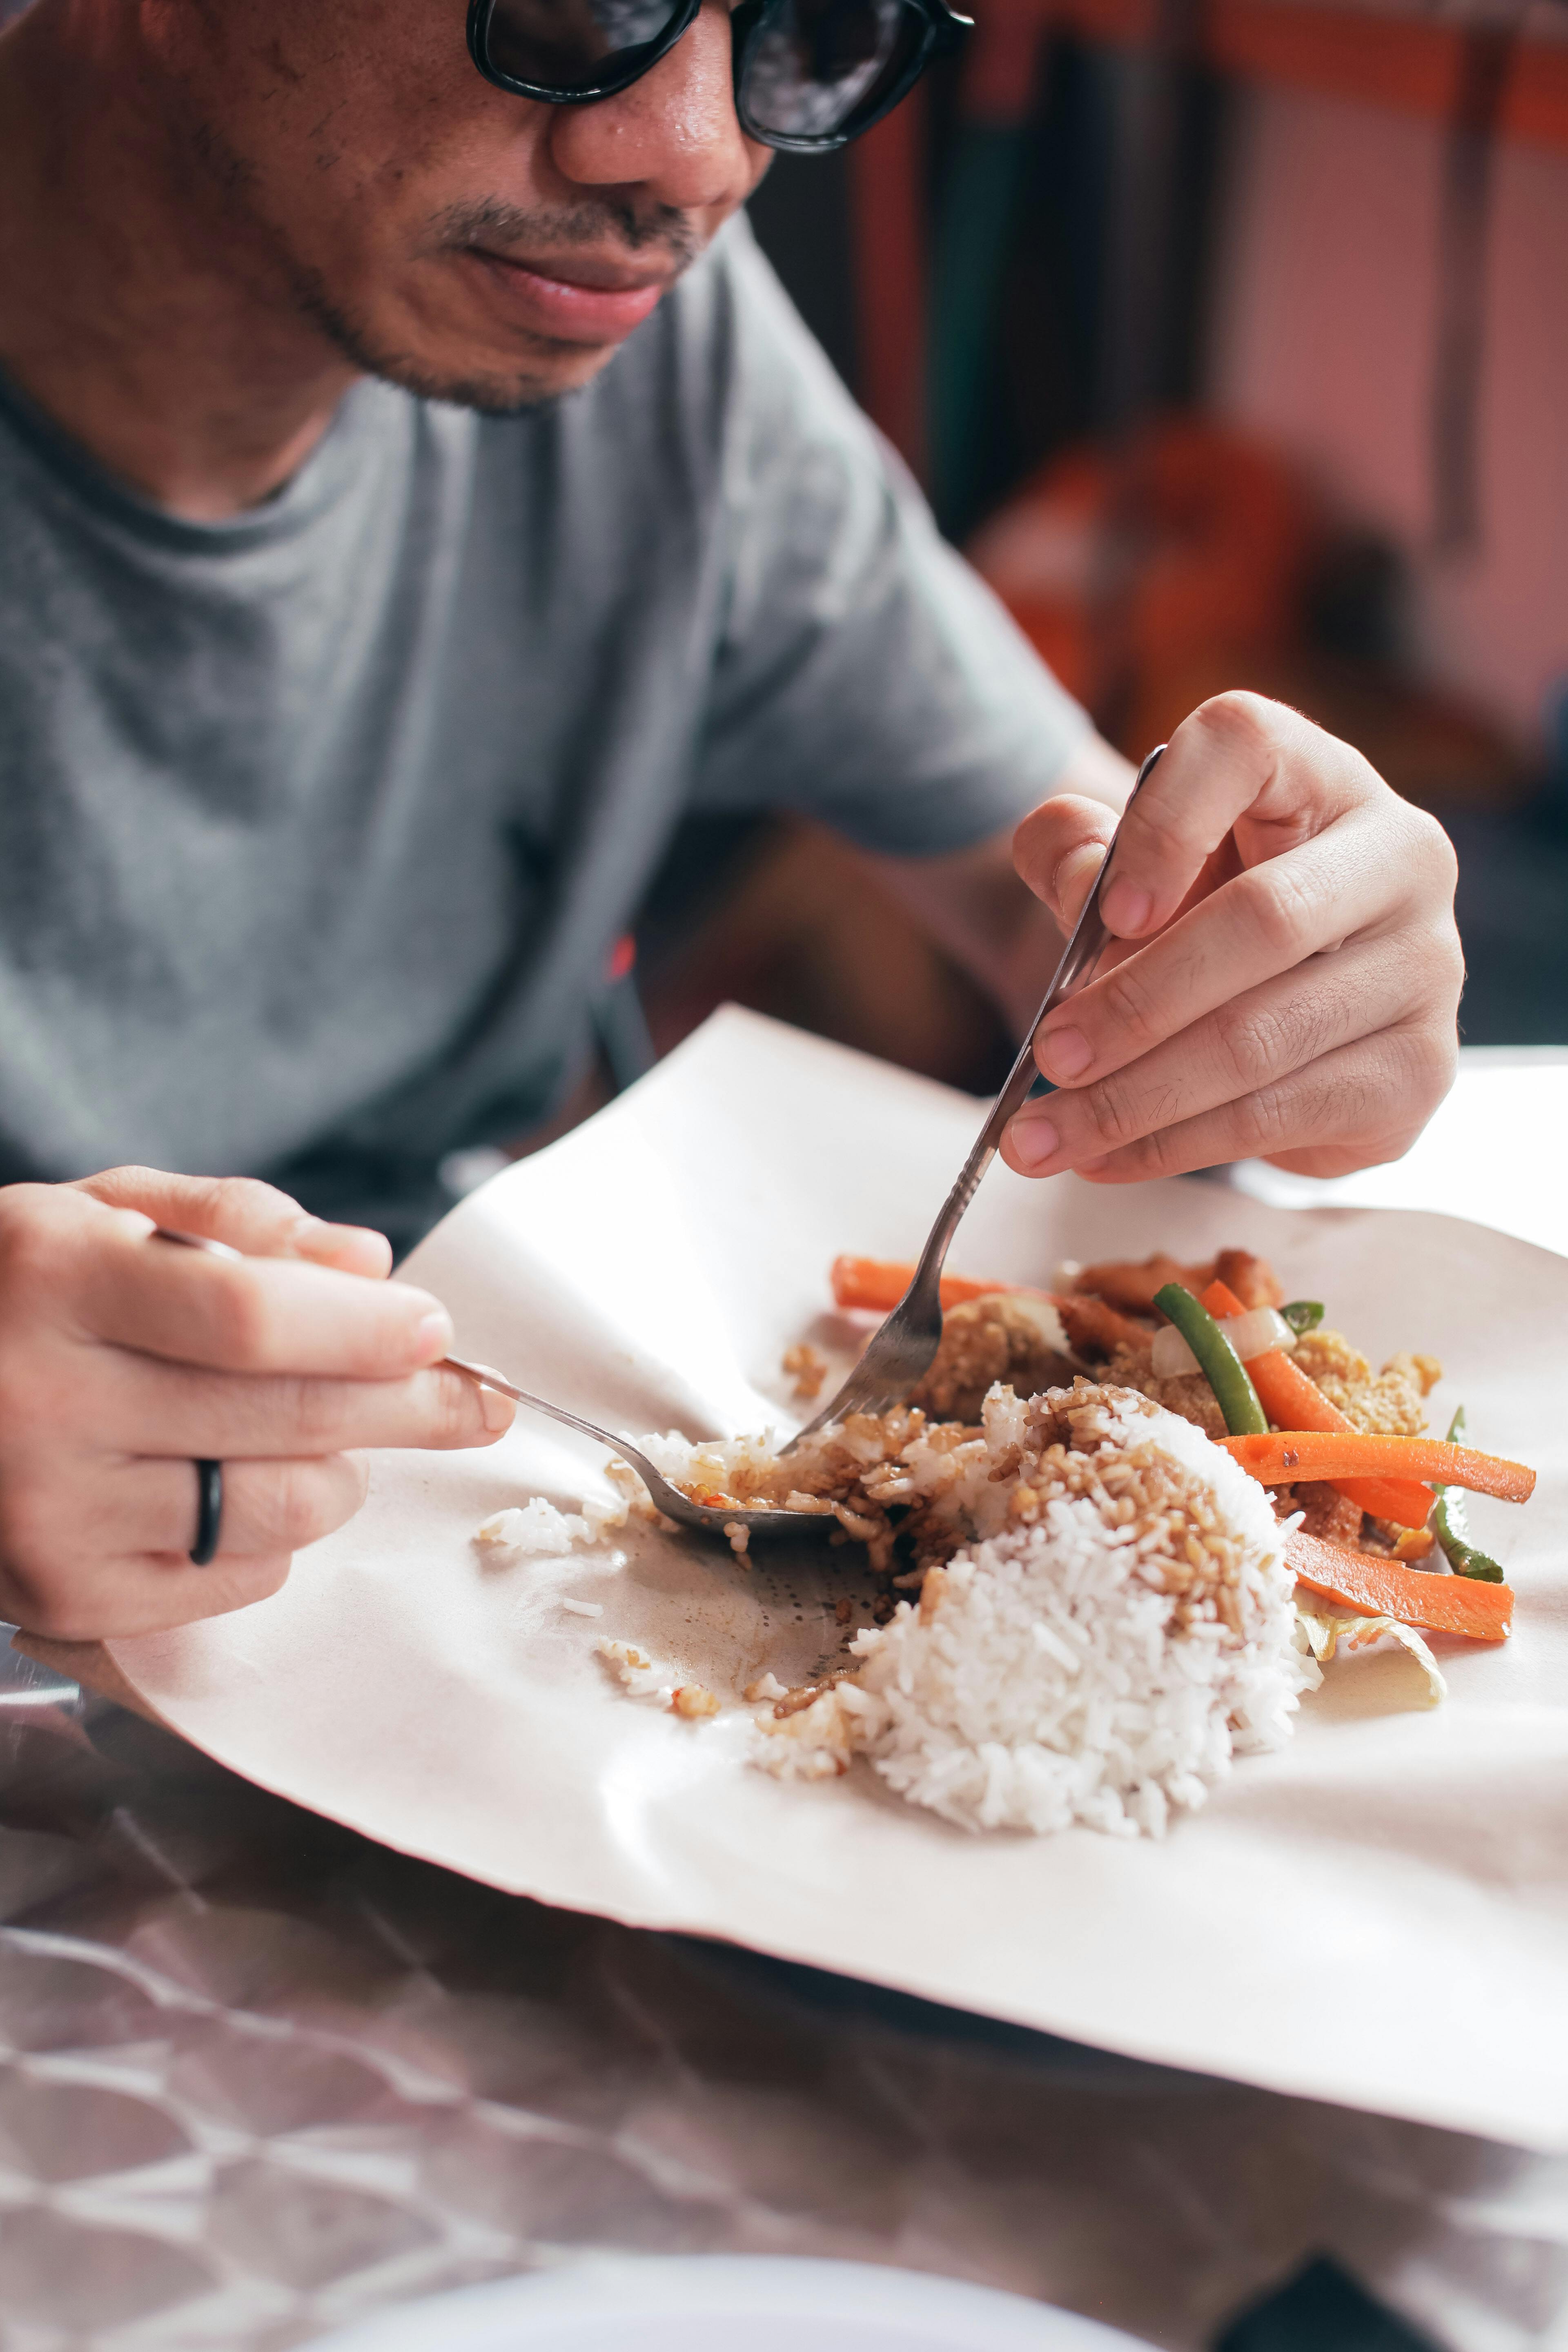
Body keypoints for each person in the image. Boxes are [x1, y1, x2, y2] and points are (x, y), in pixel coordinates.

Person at [0, 0, 1462, 1644]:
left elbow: (1063, 885)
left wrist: (1279, 965)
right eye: (576, 2)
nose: (699, 158)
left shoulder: (626, 328)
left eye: (821, 22)